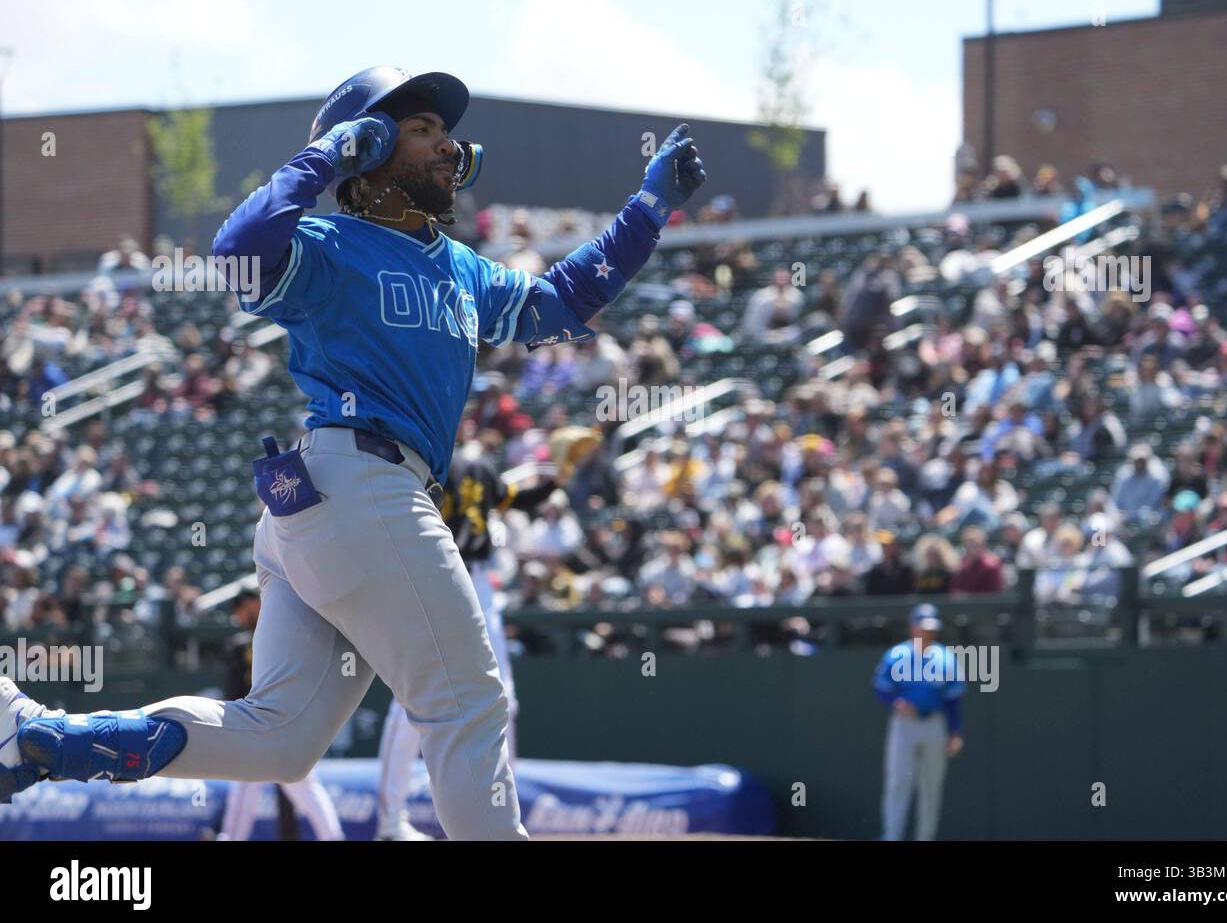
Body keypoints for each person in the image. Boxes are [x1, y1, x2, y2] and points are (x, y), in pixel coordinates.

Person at [0, 66, 707, 842]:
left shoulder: (459, 264)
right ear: (369, 145)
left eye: (447, 131)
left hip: (333, 504)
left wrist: (647, 209)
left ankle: (44, 738)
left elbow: (564, 302)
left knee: (278, 738)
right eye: (422, 129)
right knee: (470, 703)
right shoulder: (329, 244)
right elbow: (236, 252)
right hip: (358, 482)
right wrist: (327, 157)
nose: (448, 143)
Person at [374, 442, 558, 841]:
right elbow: (520, 500)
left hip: (455, 575)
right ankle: (393, 823)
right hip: (443, 573)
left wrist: (554, 481)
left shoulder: (440, 459)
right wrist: (554, 482)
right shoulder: (451, 462)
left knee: (492, 698)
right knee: (418, 699)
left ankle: (501, 817)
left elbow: (513, 499)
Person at [215, 590, 344, 842]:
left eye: (241, 610)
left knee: (251, 789)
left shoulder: (285, 633)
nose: (240, 617)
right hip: (273, 722)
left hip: (269, 723)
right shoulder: (249, 641)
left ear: (252, 603)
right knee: (303, 790)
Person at [872, 604, 965, 841]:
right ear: (913, 628)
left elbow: (953, 700)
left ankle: (926, 837)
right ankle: (892, 836)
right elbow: (881, 689)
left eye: (931, 629)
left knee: (931, 786)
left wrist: (955, 732)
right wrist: (896, 702)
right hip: (904, 724)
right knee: (898, 781)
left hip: (935, 723)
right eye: (923, 628)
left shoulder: (946, 658)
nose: (928, 633)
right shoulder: (896, 655)